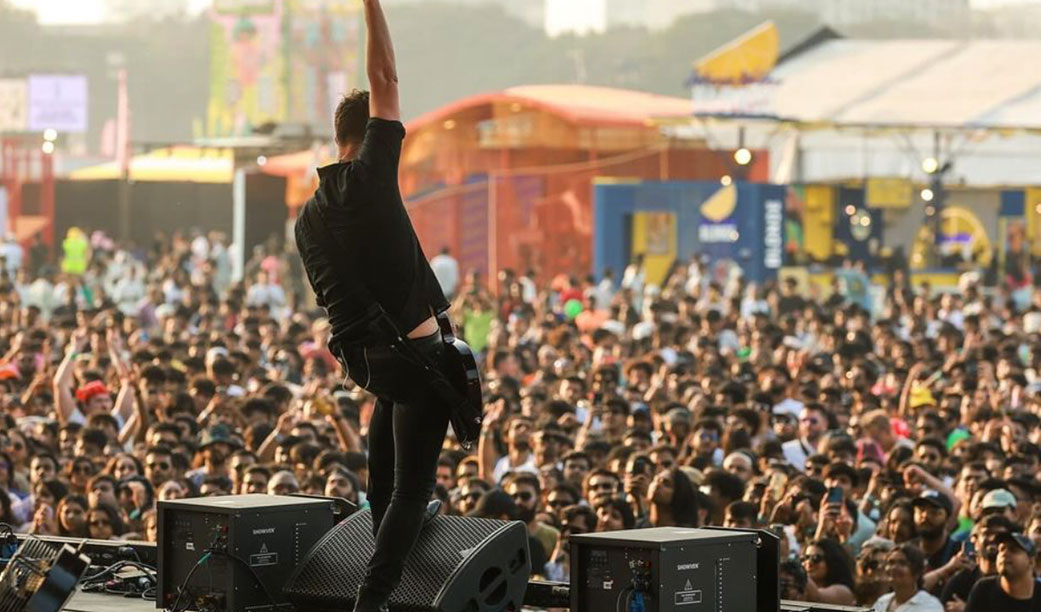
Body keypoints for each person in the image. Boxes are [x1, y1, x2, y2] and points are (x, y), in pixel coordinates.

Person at [293, 2, 454, 609]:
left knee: (385, 480)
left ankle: (389, 530)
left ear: (336, 137)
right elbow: (385, 78)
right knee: (415, 487)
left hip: (367, 360)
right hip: (415, 355)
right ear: (371, 134)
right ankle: (374, 597)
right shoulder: (370, 179)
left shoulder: (308, 217)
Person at [964, 533, 1041, 612]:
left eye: (1013, 550)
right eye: (1001, 549)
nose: (1004, 554)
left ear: (1031, 561)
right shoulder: (984, 589)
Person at [873, 543, 944, 612]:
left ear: (917, 572)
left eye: (902, 563)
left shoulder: (930, 606)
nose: (894, 568)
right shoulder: (882, 602)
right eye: (891, 562)